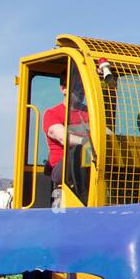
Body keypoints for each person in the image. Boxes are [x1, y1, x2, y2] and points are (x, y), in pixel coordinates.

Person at [43, 76, 91, 204]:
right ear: (63, 89)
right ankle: (86, 203)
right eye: (77, 87)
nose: (81, 92)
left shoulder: (91, 113)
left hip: (91, 163)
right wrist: (86, 142)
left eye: (83, 88)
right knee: (79, 151)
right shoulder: (52, 113)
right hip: (62, 168)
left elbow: (105, 132)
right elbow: (62, 137)